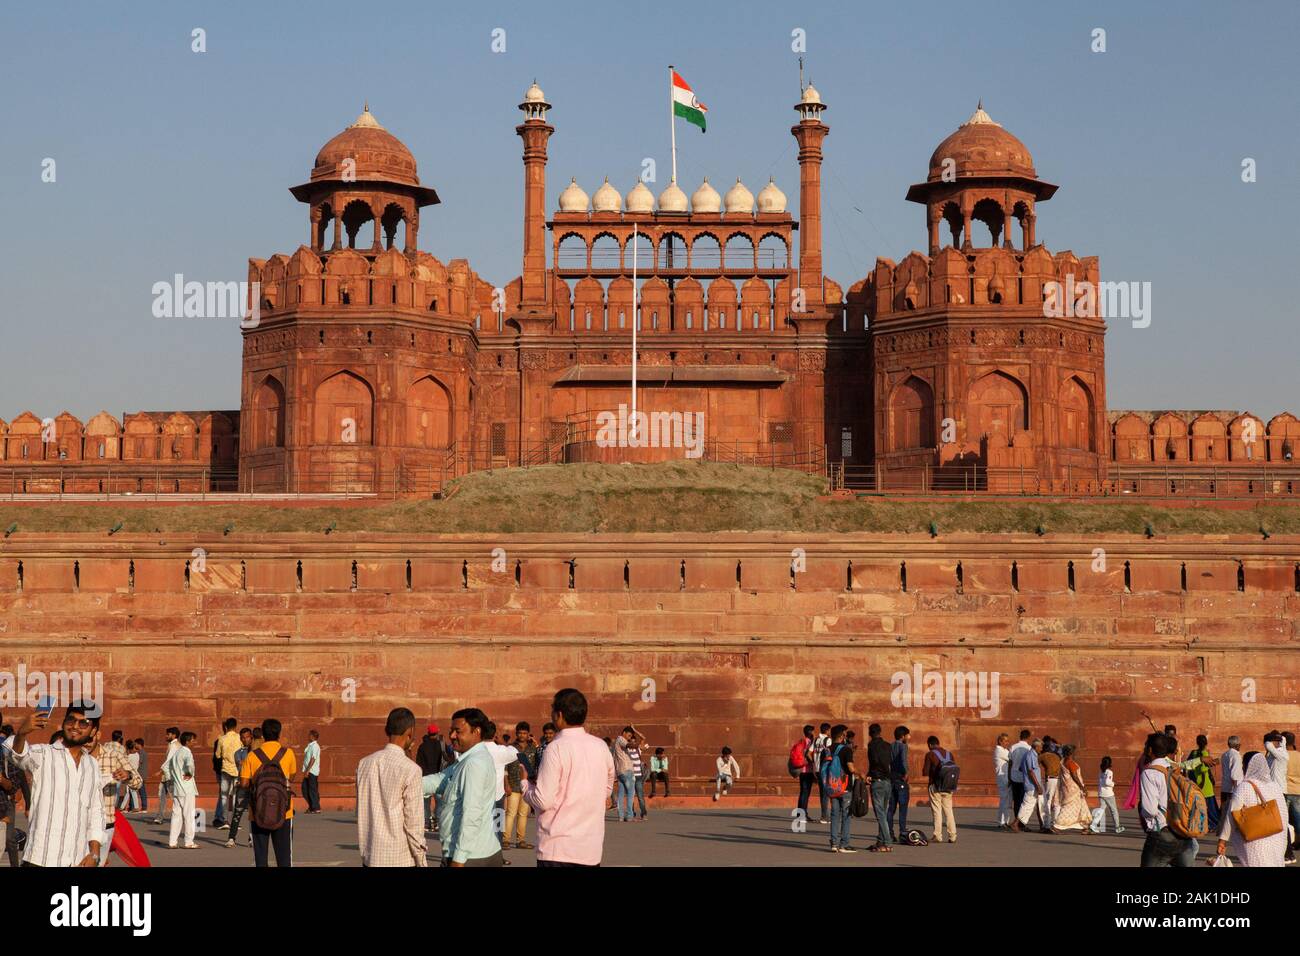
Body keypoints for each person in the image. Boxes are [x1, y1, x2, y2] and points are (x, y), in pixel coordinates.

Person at [518, 688, 615, 867]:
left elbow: (542, 800)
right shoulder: (601, 746)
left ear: (559, 715)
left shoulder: (556, 748)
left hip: (558, 849)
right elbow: (607, 789)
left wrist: (525, 783)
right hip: (590, 849)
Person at [4, 704, 105, 867]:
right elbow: (18, 755)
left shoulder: (92, 765)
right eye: (71, 720)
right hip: (41, 859)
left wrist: (94, 853)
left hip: (77, 860)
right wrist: (22, 733)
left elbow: (96, 811)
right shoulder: (43, 754)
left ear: (93, 731)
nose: (75, 726)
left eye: (83, 723)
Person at [421, 708, 503, 867]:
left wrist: (459, 858)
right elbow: (440, 780)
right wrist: (404, 781)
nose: (452, 736)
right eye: (451, 731)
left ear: (476, 731)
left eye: (457, 731)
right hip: (471, 854)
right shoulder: (467, 760)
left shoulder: (474, 764)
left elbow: (472, 813)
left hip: (471, 857)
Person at [356, 707, 426, 867]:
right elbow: (414, 824)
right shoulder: (411, 769)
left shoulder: (364, 764)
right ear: (410, 732)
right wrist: (421, 860)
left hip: (371, 855)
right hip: (399, 859)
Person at [239, 718, 297, 867]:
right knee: (284, 858)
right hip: (284, 811)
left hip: (258, 810)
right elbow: (291, 777)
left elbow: (244, 783)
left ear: (263, 735)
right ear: (279, 734)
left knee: (260, 858)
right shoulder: (288, 753)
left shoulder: (252, 755)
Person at [1216, 750, 1288, 867]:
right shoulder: (1275, 786)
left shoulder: (1244, 787)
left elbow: (1231, 815)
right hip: (1276, 839)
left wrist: (1222, 841)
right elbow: (1284, 814)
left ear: (1248, 766)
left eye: (1244, 765)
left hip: (1256, 842)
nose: (1243, 768)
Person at [1139, 733, 1198, 867]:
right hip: (1182, 830)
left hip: (1162, 833)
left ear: (1149, 750)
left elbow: (1150, 810)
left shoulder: (1150, 773)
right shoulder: (1176, 768)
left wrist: (1142, 811)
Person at [90, 724, 142, 864]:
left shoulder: (113, 756)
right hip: (79, 823)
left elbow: (138, 781)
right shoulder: (75, 756)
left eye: (90, 737)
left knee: (97, 863)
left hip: (105, 821)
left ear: (97, 735)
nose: (86, 742)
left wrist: (128, 775)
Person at [504, 722, 538, 850]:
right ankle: (505, 839)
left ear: (528, 734)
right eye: (520, 733)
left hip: (526, 785)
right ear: (516, 733)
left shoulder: (533, 748)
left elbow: (537, 764)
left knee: (523, 814)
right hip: (513, 784)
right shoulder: (510, 748)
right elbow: (505, 766)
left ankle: (521, 840)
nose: (522, 735)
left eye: (524, 733)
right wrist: (506, 783)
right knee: (511, 813)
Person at [824, 725, 857, 853]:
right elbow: (851, 768)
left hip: (831, 786)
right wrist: (860, 774)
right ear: (842, 735)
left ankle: (833, 843)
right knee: (846, 815)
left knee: (834, 815)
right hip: (844, 787)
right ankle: (844, 844)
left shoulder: (826, 750)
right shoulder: (846, 750)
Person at [165, 731, 200, 850]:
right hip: (187, 788)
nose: (194, 743)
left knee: (176, 816)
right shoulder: (187, 752)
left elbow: (166, 766)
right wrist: (189, 773)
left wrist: (172, 778)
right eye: (193, 740)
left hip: (177, 788)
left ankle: (172, 842)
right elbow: (190, 765)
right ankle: (189, 842)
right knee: (189, 815)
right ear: (188, 741)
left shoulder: (176, 752)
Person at [920, 735, 957, 843]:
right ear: (938, 743)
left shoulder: (930, 754)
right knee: (949, 811)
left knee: (937, 811)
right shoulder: (949, 754)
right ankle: (952, 835)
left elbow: (925, 772)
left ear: (930, 745)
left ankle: (937, 835)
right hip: (949, 786)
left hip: (935, 786)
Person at [1051, 744, 1092, 832]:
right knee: (1068, 808)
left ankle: (1085, 826)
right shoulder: (1070, 763)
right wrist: (1082, 787)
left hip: (1067, 788)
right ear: (1071, 753)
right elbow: (1074, 776)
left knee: (1081, 806)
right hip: (1073, 789)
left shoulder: (1062, 761)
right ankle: (1057, 825)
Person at [226, 727, 255, 848]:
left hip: (254, 786)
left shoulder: (256, 751)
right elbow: (241, 765)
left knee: (254, 814)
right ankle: (231, 838)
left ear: (251, 737)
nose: (245, 739)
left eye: (247, 737)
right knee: (237, 812)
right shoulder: (238, 753)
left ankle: (252, 838)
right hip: (243, 785)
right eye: (243, 737)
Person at [866, 723, 893, 852]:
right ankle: (881, 841)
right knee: (884, 812)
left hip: (877, 781)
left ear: (870, 733)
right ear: (880, 732)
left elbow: (874, 762)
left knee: (880, 814)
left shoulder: (871, 745)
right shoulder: (888, 745)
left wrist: (869, 775)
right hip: (888, 781)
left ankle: (887, 842)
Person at [1182, 734, 1219, 830]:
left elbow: (1188, 765)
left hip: (1197, 782)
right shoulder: (1204, 753)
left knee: (1200, 806)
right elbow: (1204, 770)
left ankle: (1203, 824)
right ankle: (1213, 824)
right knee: (1210, 807)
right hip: (1205, 784)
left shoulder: (1194, 753)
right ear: (1206, 743)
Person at [415, 724, 447, 832]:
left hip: (426, 778)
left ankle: (426, 823)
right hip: (439, 778)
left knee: (426, 803)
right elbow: (447, 759)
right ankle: (437, 823)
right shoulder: (441, 746)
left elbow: (419, 763)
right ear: (437, 733)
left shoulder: (422, 746)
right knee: (439, 802)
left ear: (428, 733)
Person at [1013, 738, 1048, 833]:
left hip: (1031, 784)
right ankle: (1015, 823)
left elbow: (1021, 768)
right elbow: (1030, 771)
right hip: (1032, 785)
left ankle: (1042, 825)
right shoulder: (1031, 755)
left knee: (1037, 805)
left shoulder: (1028, 755)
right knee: (1027, 805)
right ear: (1036, 747)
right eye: (1040, 747)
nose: (1041, 749)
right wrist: (1038, 785)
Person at [213, 717, 240, 829]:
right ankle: (233, 821)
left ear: (226, 727)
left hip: (225, 769)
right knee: (234, 796)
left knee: (224, 795)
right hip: (237, 770)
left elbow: (218, 755)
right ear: (235, 726)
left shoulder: (222, 739)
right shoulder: (239, 738)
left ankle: (223, 820)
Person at [613, 726, 644, 821]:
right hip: (627, 770)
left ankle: (621, 816)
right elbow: (628, 745)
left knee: (621, 794)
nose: (629, 738)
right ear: (624, 733)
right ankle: (630, 815)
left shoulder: (617, 743)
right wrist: (637, 745)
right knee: (630, 793)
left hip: (620, 771)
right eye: (629, 735)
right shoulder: (621, 739)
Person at [153, 726, 180, 824]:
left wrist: (160, 771)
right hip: (167, 775)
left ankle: (183, 816)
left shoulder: (174, 745)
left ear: (174, 735)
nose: (166, 736)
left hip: (170, 776)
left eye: (168, 734)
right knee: (162, 796)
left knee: (175, 798)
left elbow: (169, 760)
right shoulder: (174, 745)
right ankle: (159, 817)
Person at [888, 725, 910, 841]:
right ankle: (902, 832)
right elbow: (903, 760)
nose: (909, 737)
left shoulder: (890, 746)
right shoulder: (903, 746)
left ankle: (889, 833)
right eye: (908, 735)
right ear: (902, 736)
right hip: (900, 778)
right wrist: (906, 773)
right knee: (903, 806)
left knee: (891, 807)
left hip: (892, 778)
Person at [1092, 756, 1124, 833]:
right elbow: (1107, 782)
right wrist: (1113, 784)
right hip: (1108, 794)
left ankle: (1093, 824)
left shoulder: (1101, 772)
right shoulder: (1109, 772)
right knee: (1114, 810)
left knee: (1102, 809)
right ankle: (1117, 827)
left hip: (1101, 793)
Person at [1007, 729, 1032, 825]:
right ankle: (1021, 823)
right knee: (1024, 801)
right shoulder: (1029, 748)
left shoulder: (1013, 747)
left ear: (1020, 736)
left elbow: (1010, 762)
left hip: (1014, 776)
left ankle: (1016, 820)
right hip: (1024, 777)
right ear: (1028, 737)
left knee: (1016, 800)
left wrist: (1009, 777)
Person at [794, 724, 818, 821]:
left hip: (801, 770)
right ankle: (802, 815)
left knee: (803, 792)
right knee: (805, 793)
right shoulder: (810, 743)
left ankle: (800, 814)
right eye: (813, 731)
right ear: (810, 732)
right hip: (807, 770)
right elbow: (809, 755)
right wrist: (813, 763)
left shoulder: (801, 741)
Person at [1038, 736, 1062, 830]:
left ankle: (1047, 824)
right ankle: (1056, 824)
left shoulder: (1043, 756)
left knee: (1047, 800)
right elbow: (1060, 747)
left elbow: (1033, 765)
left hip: (1050, 779)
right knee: (1056, 802)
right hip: (1058, 779)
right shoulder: (1057, 756)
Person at [1218, 735, 1243, 824]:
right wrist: (1236, 790)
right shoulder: (1236, 756)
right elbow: (1234, 775)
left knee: (1224, 813)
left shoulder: (1224, 754)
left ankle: (1221, 831)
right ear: (1237, 745)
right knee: (1233, 813)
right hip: (1233, 788)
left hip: (1225, 787)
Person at [1284, 732, 1300, 862]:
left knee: (1285, 820)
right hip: (1297, 790)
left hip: (1284, 790)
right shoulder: (1298, 756)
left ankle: (1287, 845)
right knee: (1298, 819)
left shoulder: (1282, 756)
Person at [994, 733, 1012, 829]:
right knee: (1005, 800)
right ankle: (1004, 821)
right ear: (1000, 741)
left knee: (1003, 799)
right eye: (1005, 741)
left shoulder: (1003, 750)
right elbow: (1012, 758)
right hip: (1003, 777)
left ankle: (1001, 821)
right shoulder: (1000, 750)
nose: (1007, 743)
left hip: (1004, 776)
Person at [301, 729, 322, 813]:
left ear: (312, 736)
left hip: (312, 771)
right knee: (305, 788)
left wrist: (307, 770)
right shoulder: (310, 745)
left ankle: (316, 808)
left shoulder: (315, 746)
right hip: (309, 771)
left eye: (309, 735)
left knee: (312, 789)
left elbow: (313, 759)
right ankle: (312, 806)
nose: (308, 736)